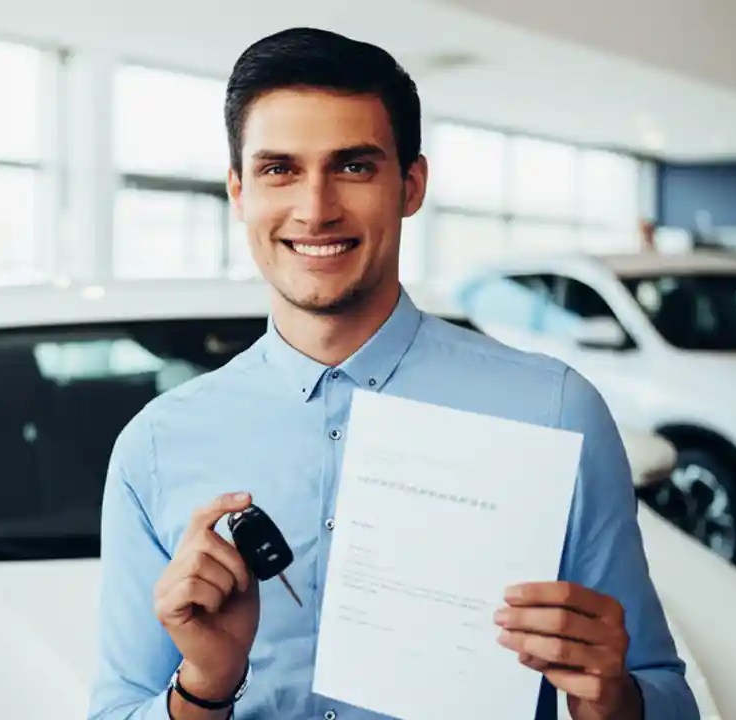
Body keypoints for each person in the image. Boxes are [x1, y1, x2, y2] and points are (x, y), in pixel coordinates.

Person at [88, 27, 697, 720]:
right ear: (238, 191)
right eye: (279, 169)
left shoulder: (554, 410)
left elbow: (666, 694)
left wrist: (612, 697)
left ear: (411, 185)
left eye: (353, 166)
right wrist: (205, 683)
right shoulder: (158, 446)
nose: (315, 208)